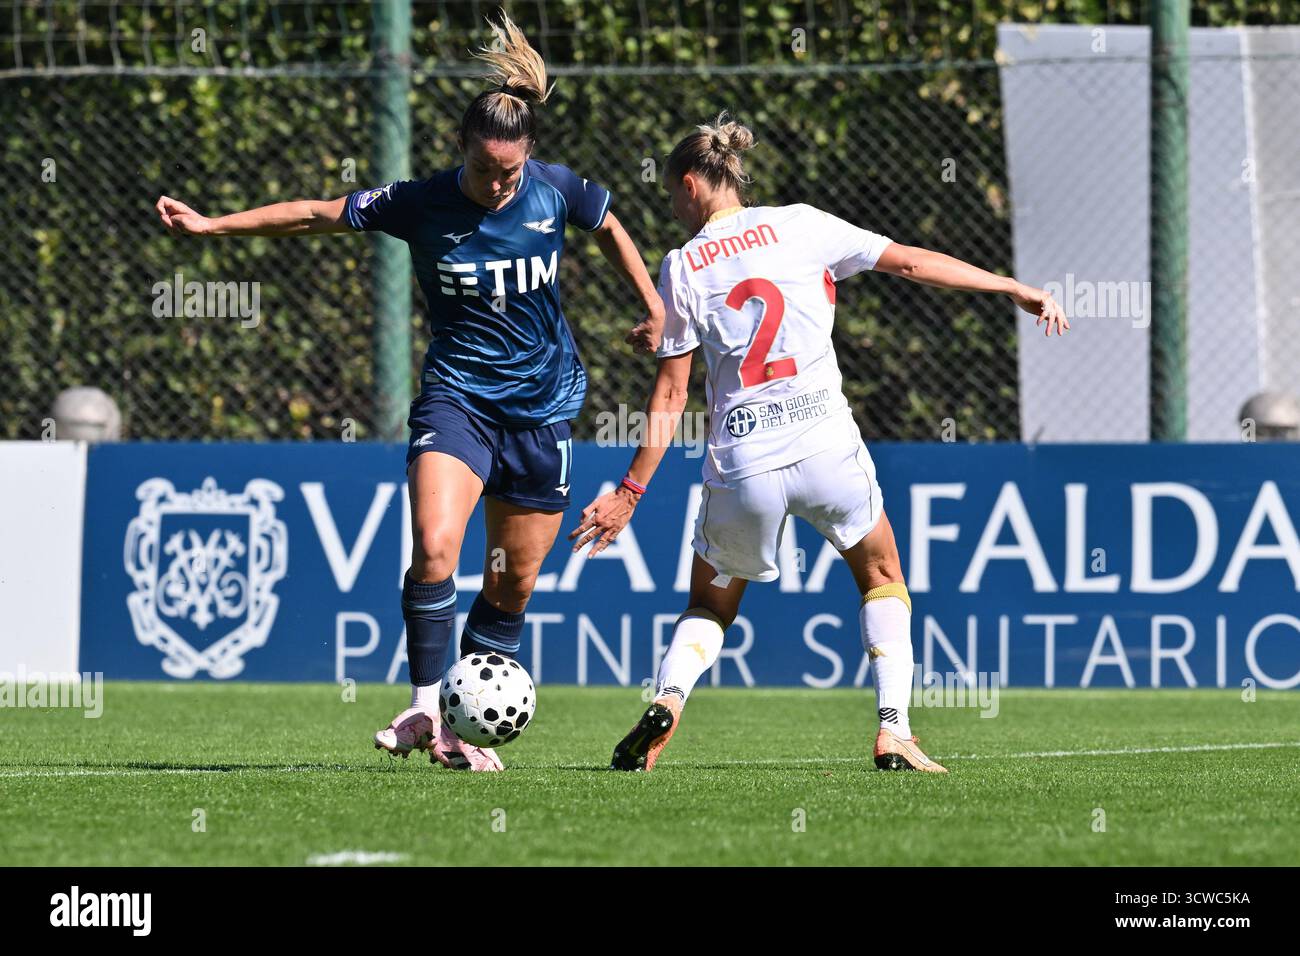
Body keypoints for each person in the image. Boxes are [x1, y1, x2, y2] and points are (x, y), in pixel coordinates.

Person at [155, 14, 664, 771]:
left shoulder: (555, 189)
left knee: (512, 582)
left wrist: (651, 306)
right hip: (457, 401)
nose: (499, 184)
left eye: (511, 172)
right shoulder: (421, 202)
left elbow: (612, 225)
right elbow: (318, 214)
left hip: (542, 409)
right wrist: (213, 228)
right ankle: (430, 706)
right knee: (434, 548)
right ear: (461, 148)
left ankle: (462, 730)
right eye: (487, 169)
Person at [569, 113, 1068, 773]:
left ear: (689, 185)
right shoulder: (803, 223)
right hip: (824, 444)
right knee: (882, 576)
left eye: (670, 195)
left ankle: (668, 697)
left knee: (711, 604)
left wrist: (630, 491)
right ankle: (894, 730)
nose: (672, 206)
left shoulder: (683, 264)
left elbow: (671, 395)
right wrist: (1011, 286)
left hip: (743, 461)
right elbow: (913, 263)